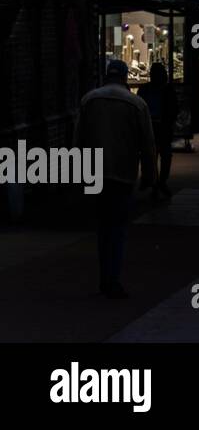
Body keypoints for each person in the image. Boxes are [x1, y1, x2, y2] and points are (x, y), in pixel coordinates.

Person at [75, 59, 157, 299]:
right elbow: (147, 145)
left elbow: (79, 139)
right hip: (123, 172)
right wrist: (150, 175)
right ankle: (113, 279)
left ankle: (104, 277)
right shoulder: (136, 104)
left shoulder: (89, 100)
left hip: (96, 173)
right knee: (118, 228)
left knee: (102, 228)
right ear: (124, 77)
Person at [136, 62, 179, 201]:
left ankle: (157, 182)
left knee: (158, 155)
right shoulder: (166, 90)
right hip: (156, 125)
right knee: (159, 155)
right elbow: (174, 108)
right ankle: (157, 182)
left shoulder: (150, 90)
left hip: (159, 125)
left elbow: (174, 109)